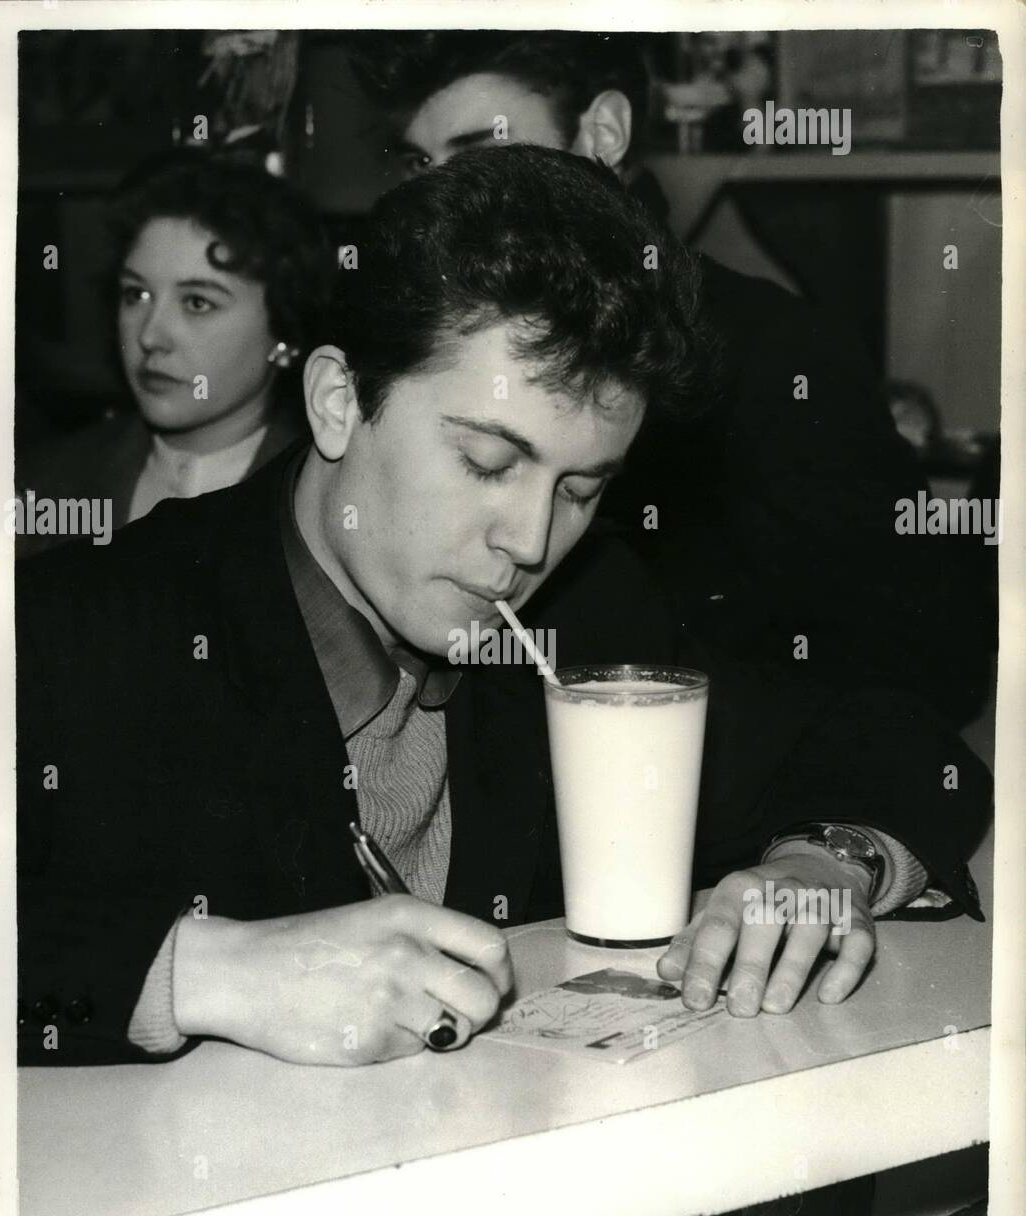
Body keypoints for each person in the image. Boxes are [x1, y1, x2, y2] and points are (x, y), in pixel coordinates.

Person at [17, 146, 990, 1069]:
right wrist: (196, 972)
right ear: (336, 402)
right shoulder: (80, 630)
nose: (528, 541)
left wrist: (821, 869)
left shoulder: (581, 610)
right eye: (486, 461)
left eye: (579, 488)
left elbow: (886, 738)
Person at [347, 31, 990, 726]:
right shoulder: (400, 330)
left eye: (480, 156)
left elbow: (924, 666)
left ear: (604, 132)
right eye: (421, 166)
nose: (443, 201)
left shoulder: (773, 352)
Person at [14, 152, 333, 554]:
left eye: (197, 302)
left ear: (284, 333)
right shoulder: (44, 484)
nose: (150, 335)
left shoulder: (329, 504)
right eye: (137, 294)